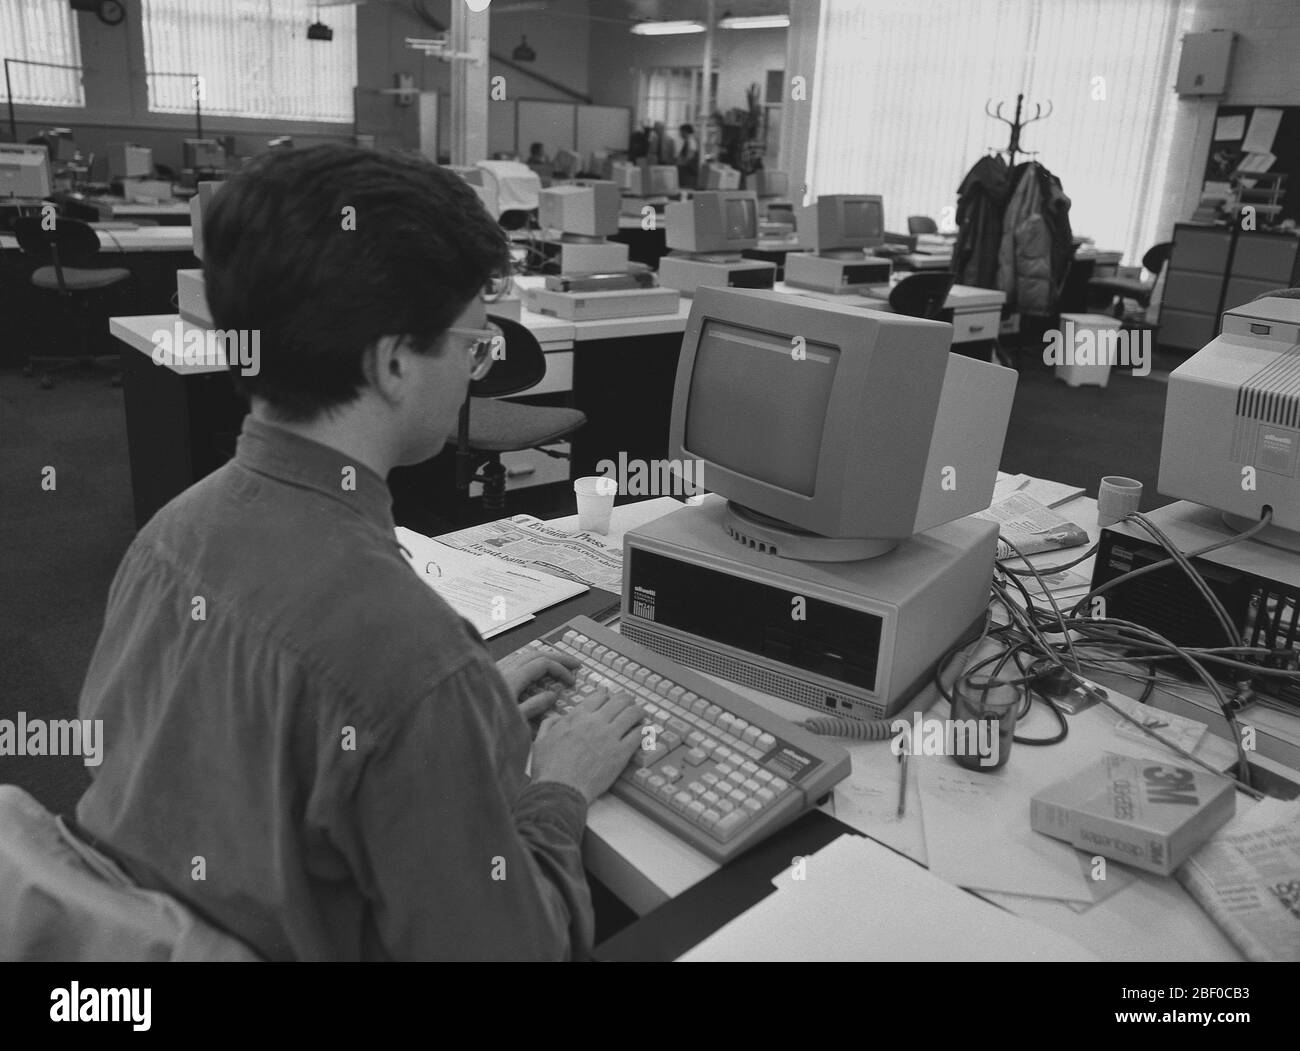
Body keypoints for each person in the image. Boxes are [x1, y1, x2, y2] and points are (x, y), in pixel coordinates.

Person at [72, 145, 642, 961]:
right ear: (395, 360)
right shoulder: (413, 660)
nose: (473, 372)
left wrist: (452, 730)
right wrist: (557, 784)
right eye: (472, 346)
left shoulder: (168, 537)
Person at [676, 123, 700, 189]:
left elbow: (690, 157)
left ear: (685, 131)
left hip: (689, 173)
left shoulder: (691, 140)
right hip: (688, 172)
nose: (679, 134)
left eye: (680, 132)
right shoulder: (690, 140)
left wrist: (680, 163)